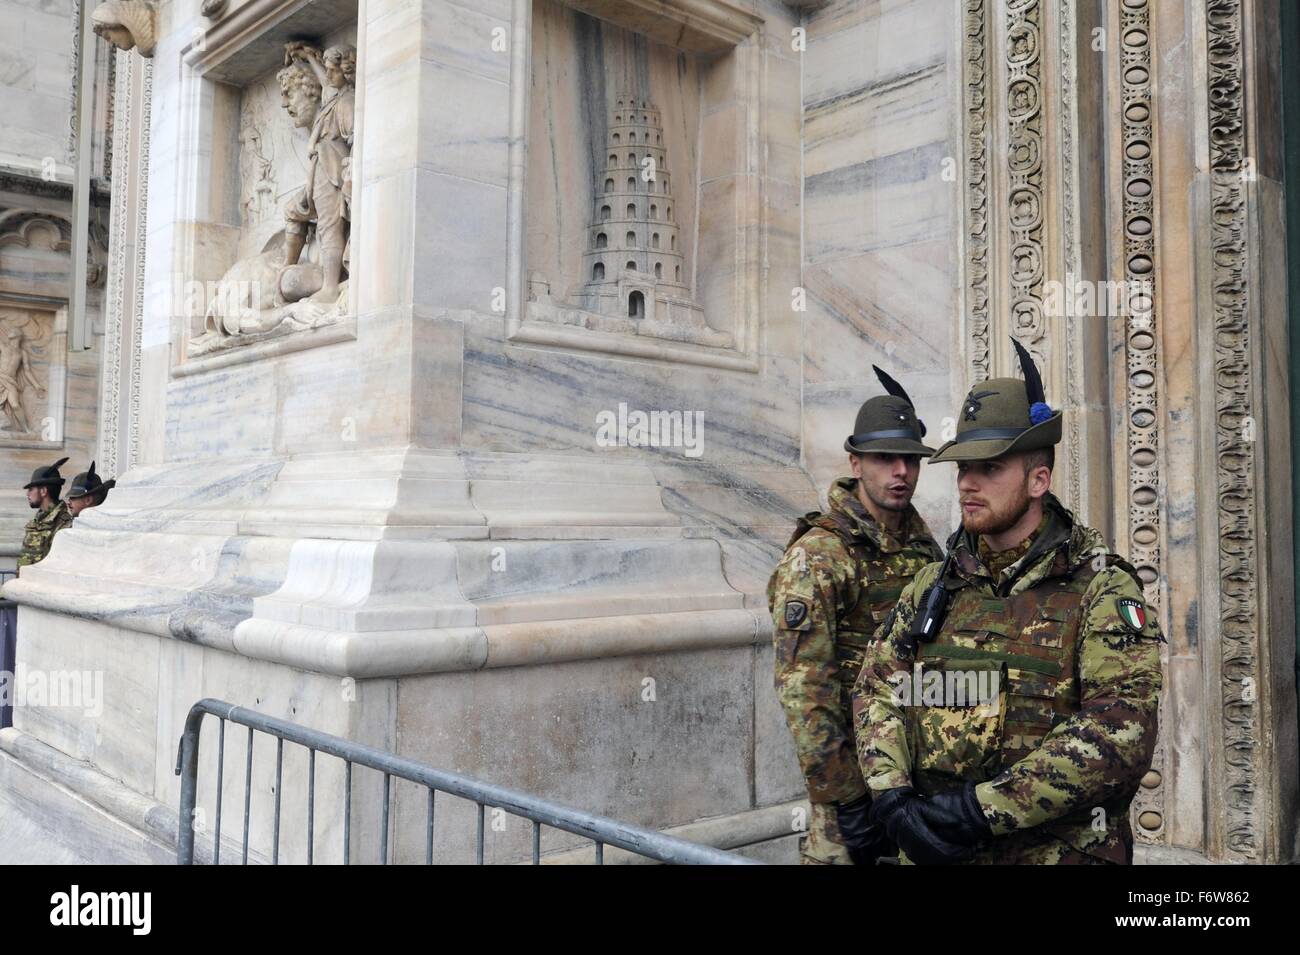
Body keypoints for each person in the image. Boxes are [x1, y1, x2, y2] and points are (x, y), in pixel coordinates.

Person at [852, 340, 1163, 864]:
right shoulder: (933, 585)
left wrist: (982, 810)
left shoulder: (1101, 590)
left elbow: (1120, 732)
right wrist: (893, 797)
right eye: (962, 468)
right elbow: (877, 688)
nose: (967, 484)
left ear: (1038, 479)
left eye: (990, 467)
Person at [768, 366, 942, 864]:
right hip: (853, 794)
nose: (900, 472)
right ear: (856, 462)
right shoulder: (821, 554)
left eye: (910, 459)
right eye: (885, 458)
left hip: (914, 779)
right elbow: (805, 689)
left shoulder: (924, 548)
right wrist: (845, 799)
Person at [17, 457, 73, 572]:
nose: (27, 494)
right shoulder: (37, 521)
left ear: (43, 491)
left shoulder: (64, 525)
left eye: (31, 489)